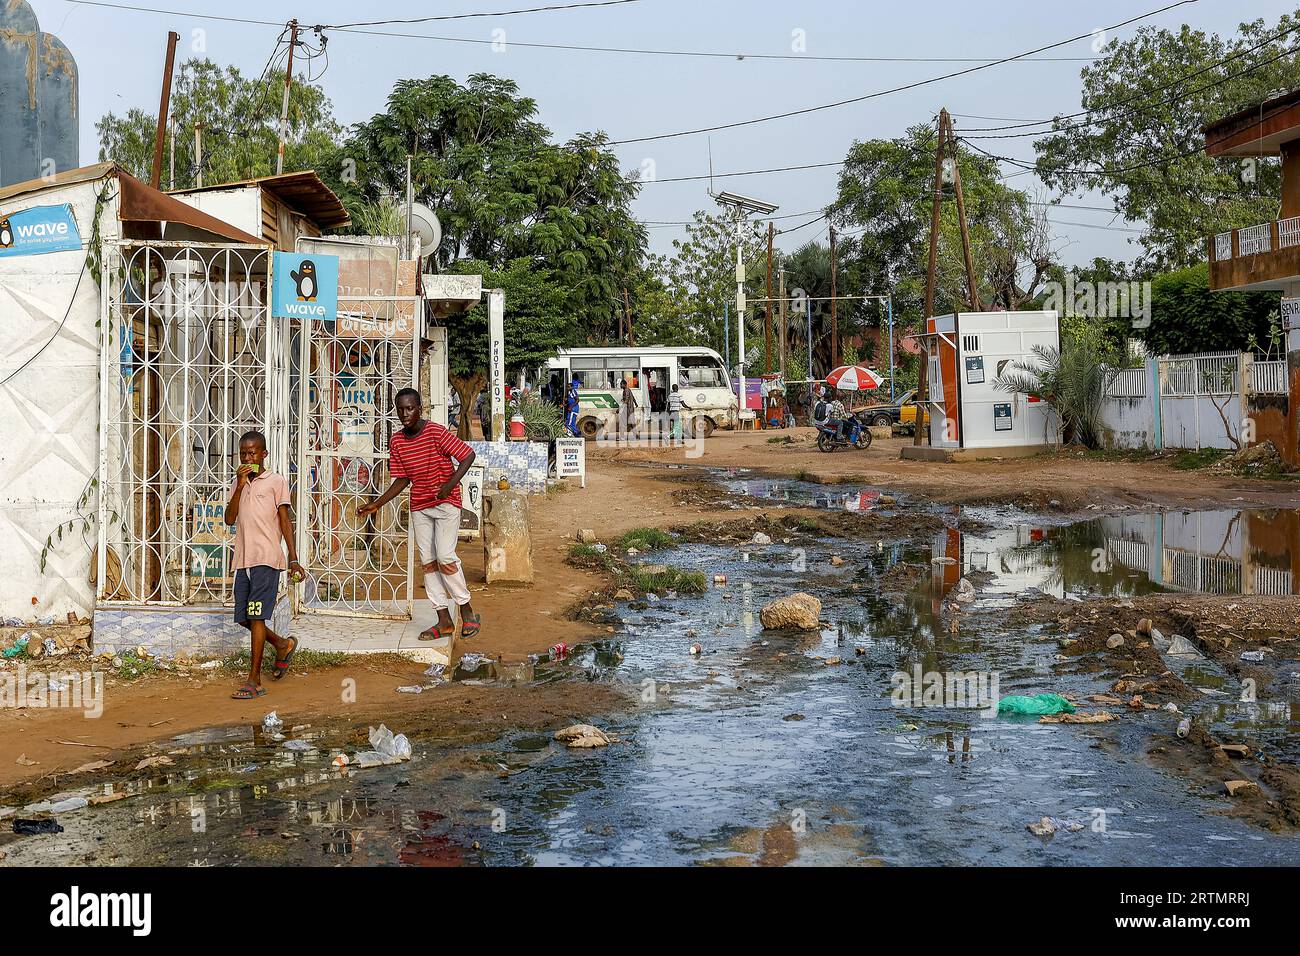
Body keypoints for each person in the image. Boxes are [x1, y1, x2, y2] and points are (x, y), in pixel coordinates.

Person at [360, 388, 480, 643]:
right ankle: (444, 620)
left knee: (445, 556)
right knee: (428, 562)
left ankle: (466, 608)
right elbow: (402, 479)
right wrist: (377, 504)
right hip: (420, 507)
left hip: (447, 504)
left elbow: (468, 455)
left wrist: (450, 484)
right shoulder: (397, 441)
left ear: (420, 408)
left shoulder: (435, 432)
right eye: (400, 409)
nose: (405, 414)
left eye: (410, 408)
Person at [222, 430, 305, 699]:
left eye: (252, 453)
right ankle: (282, 644)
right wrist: (239, 483)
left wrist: (293, 559)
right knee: (244, 618)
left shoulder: (276, 482)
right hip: (243, 560)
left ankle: (254, 680)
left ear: (264, 454)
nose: (247, 457)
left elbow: (285, 521)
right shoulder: (238, 483)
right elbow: (229, 519)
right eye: (243, 453)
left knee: (256, 616)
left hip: (266, 559)